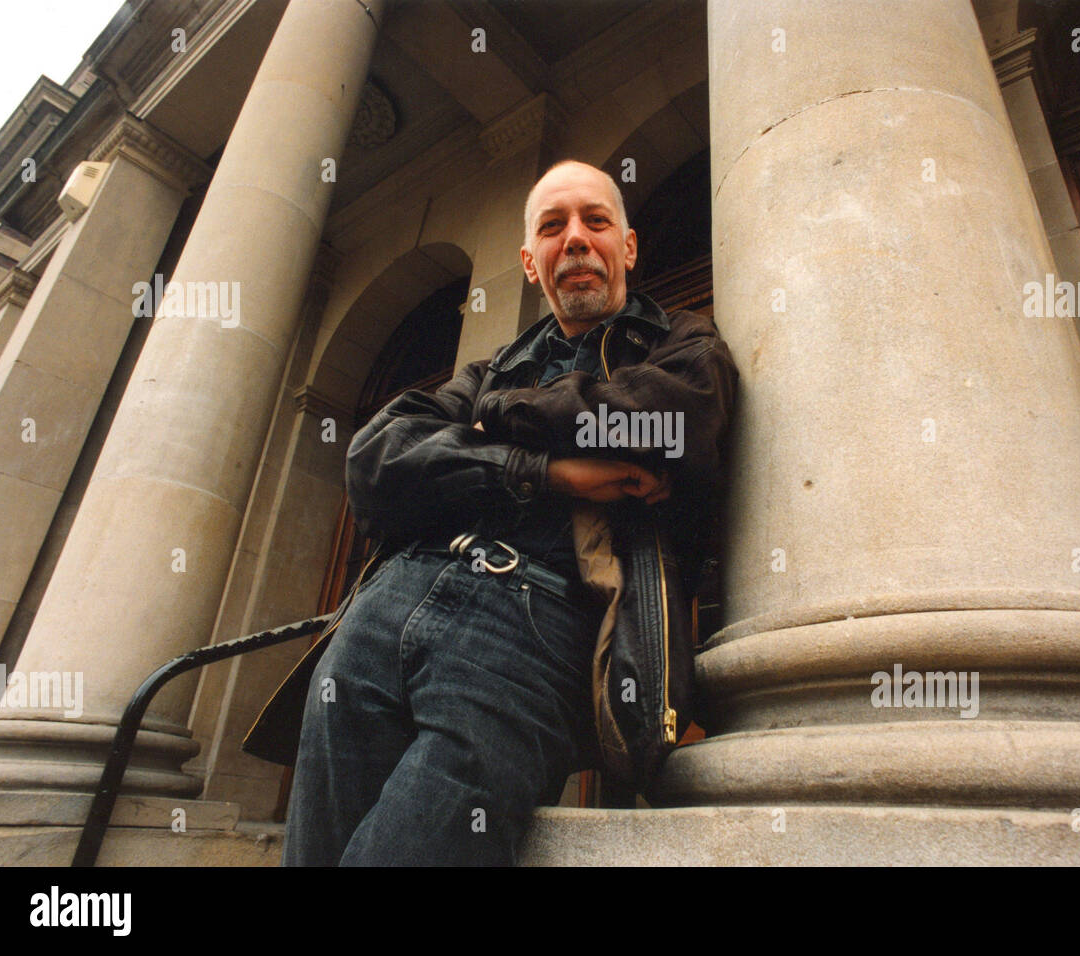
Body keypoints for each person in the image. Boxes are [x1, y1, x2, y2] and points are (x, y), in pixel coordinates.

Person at [280, 159, 737, 865]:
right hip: (382, 610)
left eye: (596, 220)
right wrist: (550, 472)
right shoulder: (490, 367)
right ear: (530, 262)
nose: (576, 239)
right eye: (553, 227)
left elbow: (666, 422)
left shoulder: (680, 345)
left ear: (629, 246)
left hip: (533, 621)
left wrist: (496, 417)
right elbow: (376, 461)